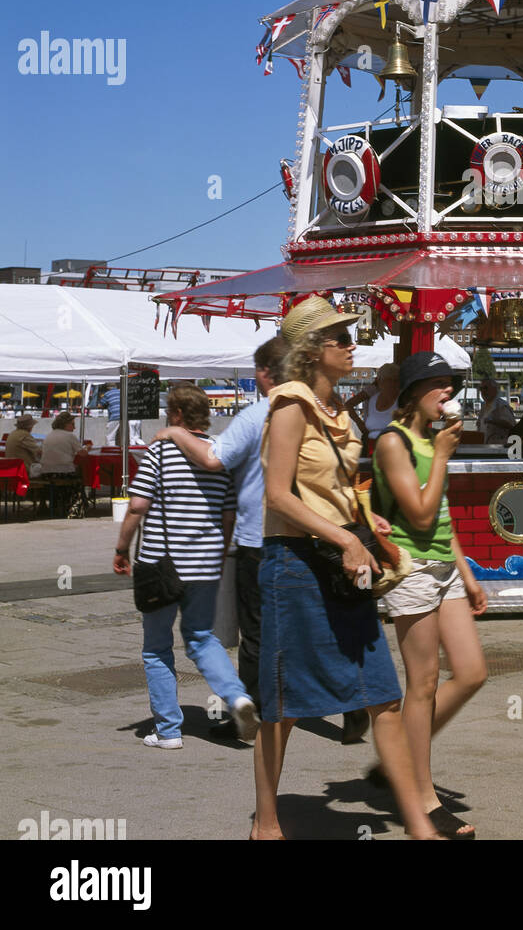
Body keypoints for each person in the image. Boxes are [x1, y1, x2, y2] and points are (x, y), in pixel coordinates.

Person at [254, 296, 442, 841]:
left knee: (383, 694)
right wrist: (342, 536)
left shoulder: (341, 409)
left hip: (341, 561)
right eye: (340, 336)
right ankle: (267, 825)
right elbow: (278, 496)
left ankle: (418, 824)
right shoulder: (290, 404)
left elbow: (335, 489)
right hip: (294, 564)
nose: (351, 342)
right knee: (284, 704)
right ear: (312, 349)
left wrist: (365, 522)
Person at [372, 352, 487, 839]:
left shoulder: (426, 439)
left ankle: (396, 757)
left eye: (450, 385)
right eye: (439, 385)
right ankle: (421, 797)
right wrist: (441, 455)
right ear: (414, 392)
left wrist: (467, 570)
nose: (449, 393)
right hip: (413, 571)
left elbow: (439, 512)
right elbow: (417, 516)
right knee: (421, 685)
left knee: (473, 672)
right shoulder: (393, 442)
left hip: (445, 568)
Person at [154, 336, 288, 737]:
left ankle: (251, 707)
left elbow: (215, 460)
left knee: (255, 632)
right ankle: (348, 703)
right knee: (304, 624)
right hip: (309, 534)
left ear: (263, 374)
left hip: (258, 537)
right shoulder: (320, 412)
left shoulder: (256, 415)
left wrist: (174, 435)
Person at [112, 385, 258, 750]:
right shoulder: (219, 453)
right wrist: (219, 552)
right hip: (206, 564)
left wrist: (121, 548)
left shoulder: (161, 450)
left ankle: (168, 730)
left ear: (175, 414)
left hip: (163, 564)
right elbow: (228, 514)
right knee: (201, 638)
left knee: (157, 647)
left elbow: (137, 507)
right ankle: (237, 698)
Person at [476, 377, 516, 447]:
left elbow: (511, 425)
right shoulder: (484, 407)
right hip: (486, 448)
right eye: (481, 389)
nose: (483, 391)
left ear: (495, 390)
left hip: (500, 449)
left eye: (486, 388)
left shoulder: (502, 406)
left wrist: (493, 421)